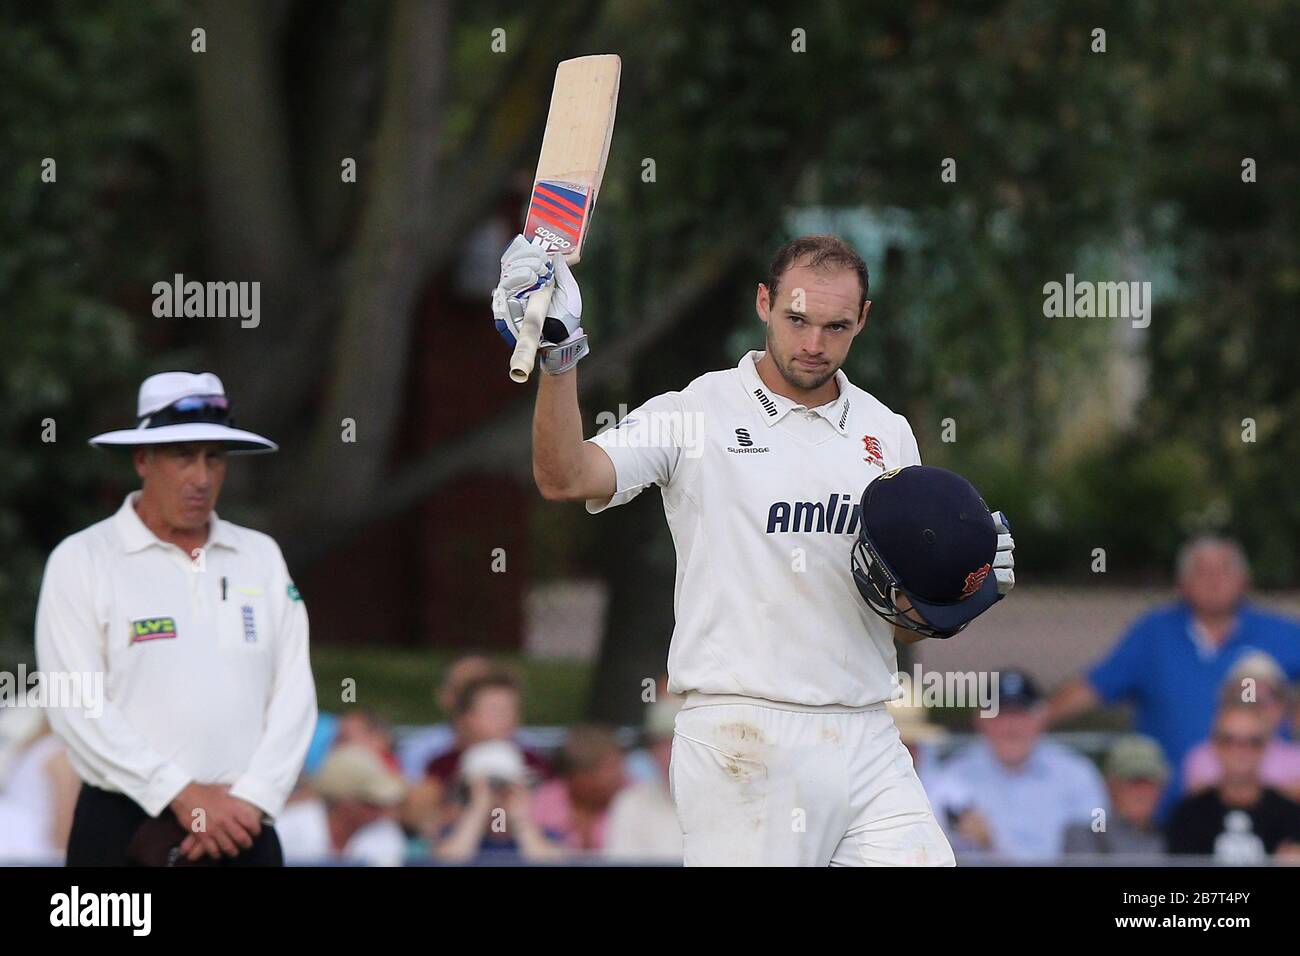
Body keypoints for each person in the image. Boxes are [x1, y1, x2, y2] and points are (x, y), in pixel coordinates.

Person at [505, 234, 1016, 865]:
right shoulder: (696, 411)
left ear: (863, 320)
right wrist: (560, 357)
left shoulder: (888, 432)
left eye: (835, 326)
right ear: (764, 302)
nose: (812, 344)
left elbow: (897, 627)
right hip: (741, 735)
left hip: (868, 729)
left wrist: (961, 590)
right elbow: (566, 476)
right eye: (797, 319)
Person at [36, 372, 316, 866]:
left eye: (214, 457)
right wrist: (181, 794)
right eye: (184, 455)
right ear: (143, 459)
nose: (202, 477)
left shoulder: (260, 555)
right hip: (124, 825)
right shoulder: (83, 558)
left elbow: (295, 690)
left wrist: (253, 798)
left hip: (242, 827)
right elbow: (75, 703)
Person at [1046, 536, 1300, 819]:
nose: (1214, 580)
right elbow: (1093, 687)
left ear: (1244, 580)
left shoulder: (1282, 634)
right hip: (1171, 815)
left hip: (1269, 818)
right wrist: (1031, 718)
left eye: (1225, 570)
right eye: (1202, 571)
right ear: (1182, 583)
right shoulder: (1153, 634)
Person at [927, 671, 1107, 862]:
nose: (1011, 727)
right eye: (1000, 715)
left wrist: (993, 843)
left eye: (1020, 714)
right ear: (980, 719)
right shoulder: (952, 777)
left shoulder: (1077, 774)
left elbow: (1095, 846)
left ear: (1041, 717)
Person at [1165, 704, 1300, 861]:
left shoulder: (1292, 817)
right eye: (1229, 740)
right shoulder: (1187, 816)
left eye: (1253, 741)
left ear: (1266, 746)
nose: (1240, 750)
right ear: (1214, 745)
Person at [1181, 653, 1300, 799]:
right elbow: (1205, 804)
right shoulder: (1204, 757)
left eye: (1265, 699)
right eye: (1246, 698)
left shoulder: (1295, 759)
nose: (1254, 707)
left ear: (1281, 707)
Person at [432, 740, 564, 863]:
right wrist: (479, 808)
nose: (496, 797)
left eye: (504, 788)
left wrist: (520, 818)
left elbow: (549, 862)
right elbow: (448, 861)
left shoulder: (545, 835)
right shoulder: (451, 834)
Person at [276, 745, 408, 867]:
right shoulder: (286, 828)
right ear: (344, 803)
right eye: (371, 803)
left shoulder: (386, 832)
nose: (380, 811)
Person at [605, 696, 685, 863]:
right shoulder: (630, 803)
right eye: (662, 744)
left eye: (680, 742)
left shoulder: (731, 801)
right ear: (651, 751)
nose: (671, 753)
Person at [1063, 735, 1168, 858]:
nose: (1141, 792)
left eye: (1149, 782)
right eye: (1133, 781)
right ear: (1110, 786)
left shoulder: (1172, 838)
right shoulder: (1087, 835)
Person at [396, 654, 494, 780]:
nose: (474, 700)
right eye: (464, 691)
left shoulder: (526, 745)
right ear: (444, 697)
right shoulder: (419, 752)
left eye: (484, 690)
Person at [531, 725, 627, 852]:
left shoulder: (631, 797)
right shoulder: (545, 802)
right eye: (611, 768)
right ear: (580, 777)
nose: (620, 775)